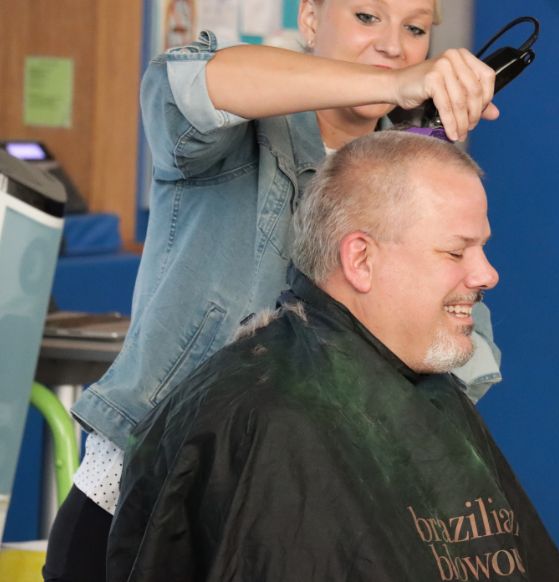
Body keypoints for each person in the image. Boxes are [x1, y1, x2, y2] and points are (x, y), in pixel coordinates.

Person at [43, 2, 504, 580]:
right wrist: (394, 84)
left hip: (299, 513)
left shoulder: (413, 178)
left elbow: (466, 355)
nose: (394, 45)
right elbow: (187, 81)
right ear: (309, 18)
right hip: (148, 492)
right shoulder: (238, 132)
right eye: (367, 16)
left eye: (414, 28)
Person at [107, 132, 559, 582]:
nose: (488, 275)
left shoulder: (429, 390)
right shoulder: (268, 420)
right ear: (361, 260)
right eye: (456, 252)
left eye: (481, 249)